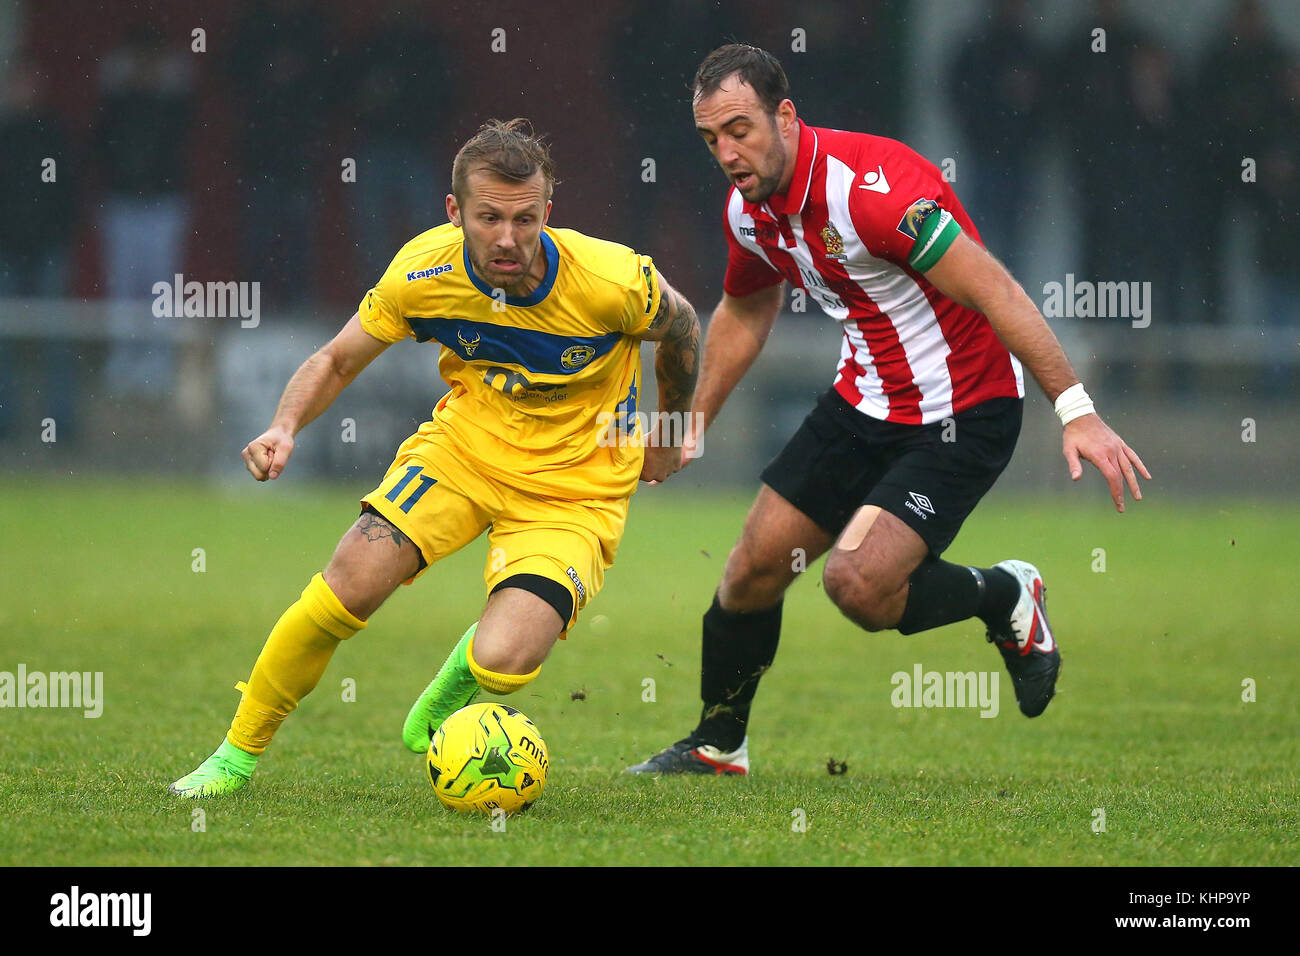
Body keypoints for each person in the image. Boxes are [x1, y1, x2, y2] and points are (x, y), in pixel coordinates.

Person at [628, 45, 1149, 776]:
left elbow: (995, 288)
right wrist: (693, 424)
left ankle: (1004, 594)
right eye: (711, 138)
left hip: (963, 411)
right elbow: (747, 307)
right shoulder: (748, 210)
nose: (727, 152)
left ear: (785, 115)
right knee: (752, 570)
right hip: (862, 400)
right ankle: (718, 746)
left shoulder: (871, 192)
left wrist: (1077, 408)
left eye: (740, 129)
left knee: (857, 586)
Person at [169, 119, 701, 797]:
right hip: (464, 454)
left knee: (505, 661)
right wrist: (284, 425)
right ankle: (233, 757)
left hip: (576, 487)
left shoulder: (609, 279)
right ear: (455, 212)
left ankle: (455, 686)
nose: (507, 237)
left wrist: (673, 425)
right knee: (345, 588)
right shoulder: (424, 271)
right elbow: (337, 359)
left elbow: (682, 324)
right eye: (488, 218)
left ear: (547, 212)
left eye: (524, 218)